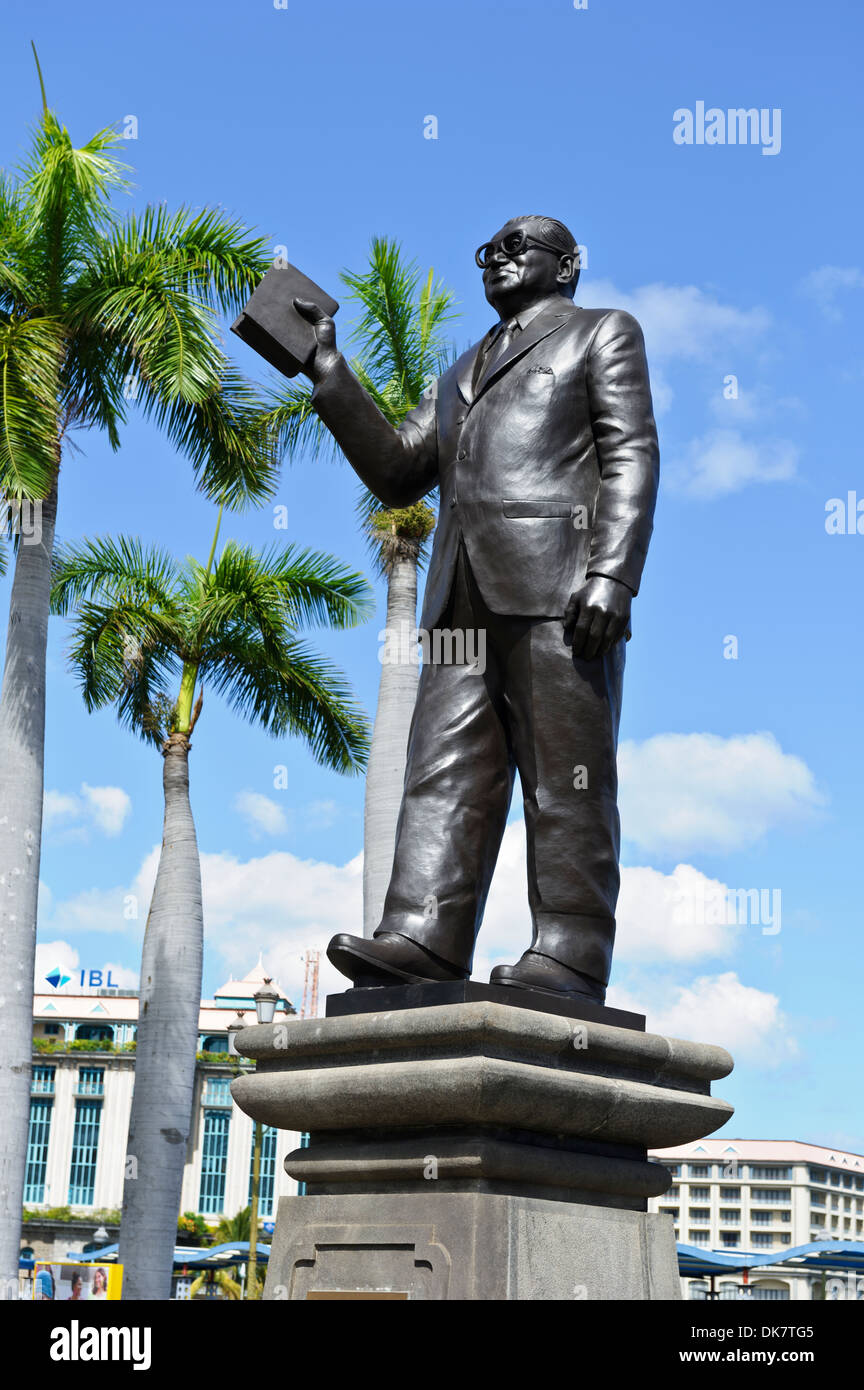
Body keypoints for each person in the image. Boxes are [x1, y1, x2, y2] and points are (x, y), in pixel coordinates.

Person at [295, 215, 659, 1002]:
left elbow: (631, 454)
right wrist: (329, 372)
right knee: (441, 770)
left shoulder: (602, 334)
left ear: (567, 266)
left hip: (559, 588)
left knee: (567, 775)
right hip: (460, 597)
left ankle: (570, 946)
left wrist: (613, 576)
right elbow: (398, 470)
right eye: (486, 251)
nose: (495, 259)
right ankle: (423, 933)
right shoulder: (461, 370)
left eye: (515, 246)